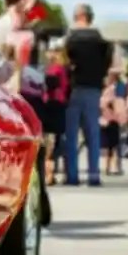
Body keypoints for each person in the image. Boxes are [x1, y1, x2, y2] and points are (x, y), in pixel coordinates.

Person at [63, 3, 112, 186]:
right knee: (93, 133)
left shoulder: (70, 38)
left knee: (72, 134)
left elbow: (63, 62)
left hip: (73, 88)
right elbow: (107, 63)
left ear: (78, 16)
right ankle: (94, 175)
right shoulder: (101, 41)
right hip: (93, 88)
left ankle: (72, 175)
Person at [43, 46, 70, 185]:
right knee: (57, 140)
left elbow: (49, 86)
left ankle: (49, 175)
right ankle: (54, 173)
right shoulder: (62, 69)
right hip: (59, 104)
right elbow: (65, 87)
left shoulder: (51, 69)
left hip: (50, 104)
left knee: (50, 141)